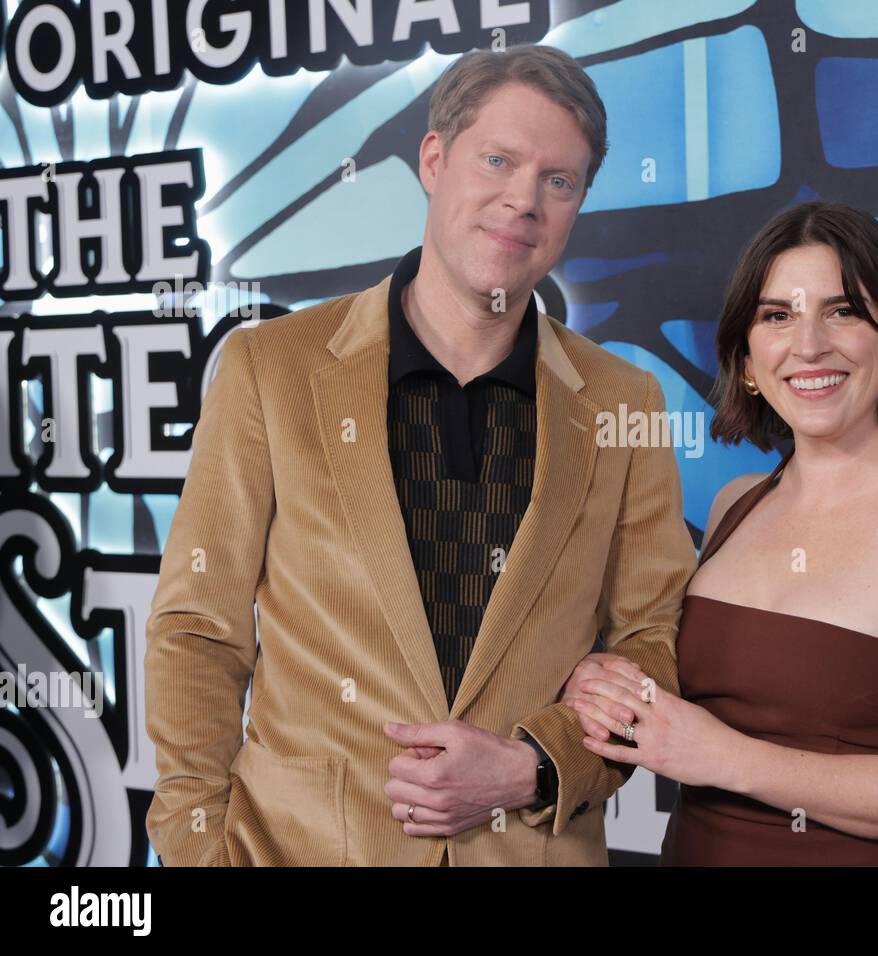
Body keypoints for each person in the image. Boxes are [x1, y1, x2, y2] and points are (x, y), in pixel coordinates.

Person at [144, 45, 697, 866]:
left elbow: (654, 639)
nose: (523, 200)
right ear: (433, 161)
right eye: (499, 160)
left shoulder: (626, 403)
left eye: (559, 181)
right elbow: (196, 628)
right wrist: (195, 848)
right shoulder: (272, 369)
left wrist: (536, 767)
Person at [563, 201, 878, 865]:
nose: (809, 344)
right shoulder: (735, 506)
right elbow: (670, 698)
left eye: (842, 311)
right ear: (749, 361)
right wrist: (603, 682)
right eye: (777, 316)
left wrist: (727, 757)